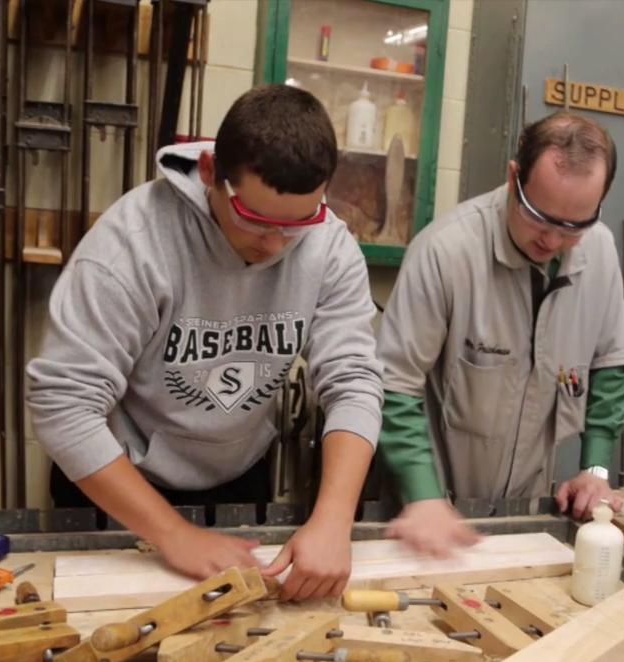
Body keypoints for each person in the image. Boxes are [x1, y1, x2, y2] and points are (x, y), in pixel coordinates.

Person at [26, 85, 383, 600]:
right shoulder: (132, 244)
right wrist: (174, 534)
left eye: (297, 225)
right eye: (256, 220)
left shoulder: (330, 246)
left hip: (238, 477)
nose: (275, 245)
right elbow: (63, 405)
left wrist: (333, 521)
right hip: (121, 485)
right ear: (213, 172)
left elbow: (353, 382)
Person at [376, 112, 624, 558]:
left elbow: (614, 359)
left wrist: (595, 470)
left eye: (573, 226)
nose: (552, 241)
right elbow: (393, 382)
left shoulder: (600, 250)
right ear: (514, 178)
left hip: (523, 514)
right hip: (427, 514)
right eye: (539, 218)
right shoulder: (446, 251)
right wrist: (423, 495)